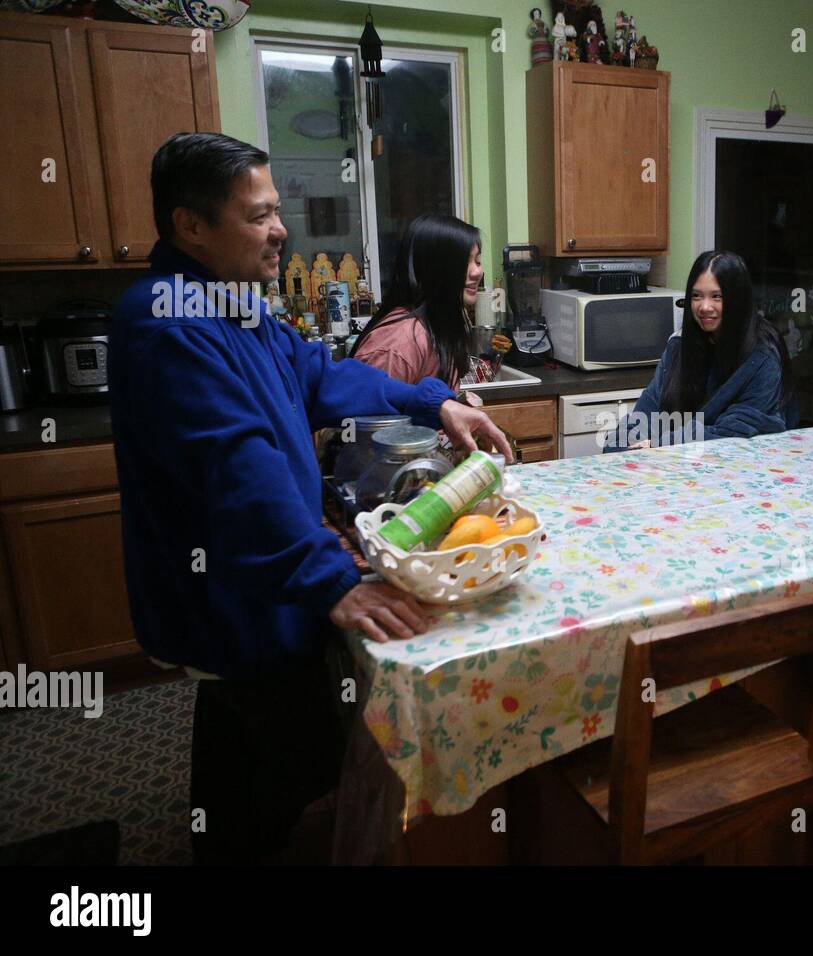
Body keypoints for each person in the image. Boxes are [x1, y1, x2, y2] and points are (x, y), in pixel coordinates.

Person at [109, 133, 512, 864]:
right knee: (275, 767)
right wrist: (326, 575)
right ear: (190, 226)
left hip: (270, 587)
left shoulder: (240, 307)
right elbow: (237, 467)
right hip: (240, 593)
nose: (280, 229)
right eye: (258, 215)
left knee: (250, 748)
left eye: (277, 210)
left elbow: (325, 379)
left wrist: (434, 404)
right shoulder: (166, 322)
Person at [604, 250, 795, 451]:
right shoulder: (679, 345)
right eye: (697, 296)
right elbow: (648, 408)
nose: (704, 306)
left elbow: (733, 431)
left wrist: (658, 445)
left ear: (737, 300)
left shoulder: (763, 356)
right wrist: (619, 448)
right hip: (682, 460)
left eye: (716, 296)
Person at [351, 213, 500, 395]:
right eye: (464, 262)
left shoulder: (436, 328)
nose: (478, 272)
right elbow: (370, 418)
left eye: (477, 261)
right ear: (436, 269)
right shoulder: (400, 343)